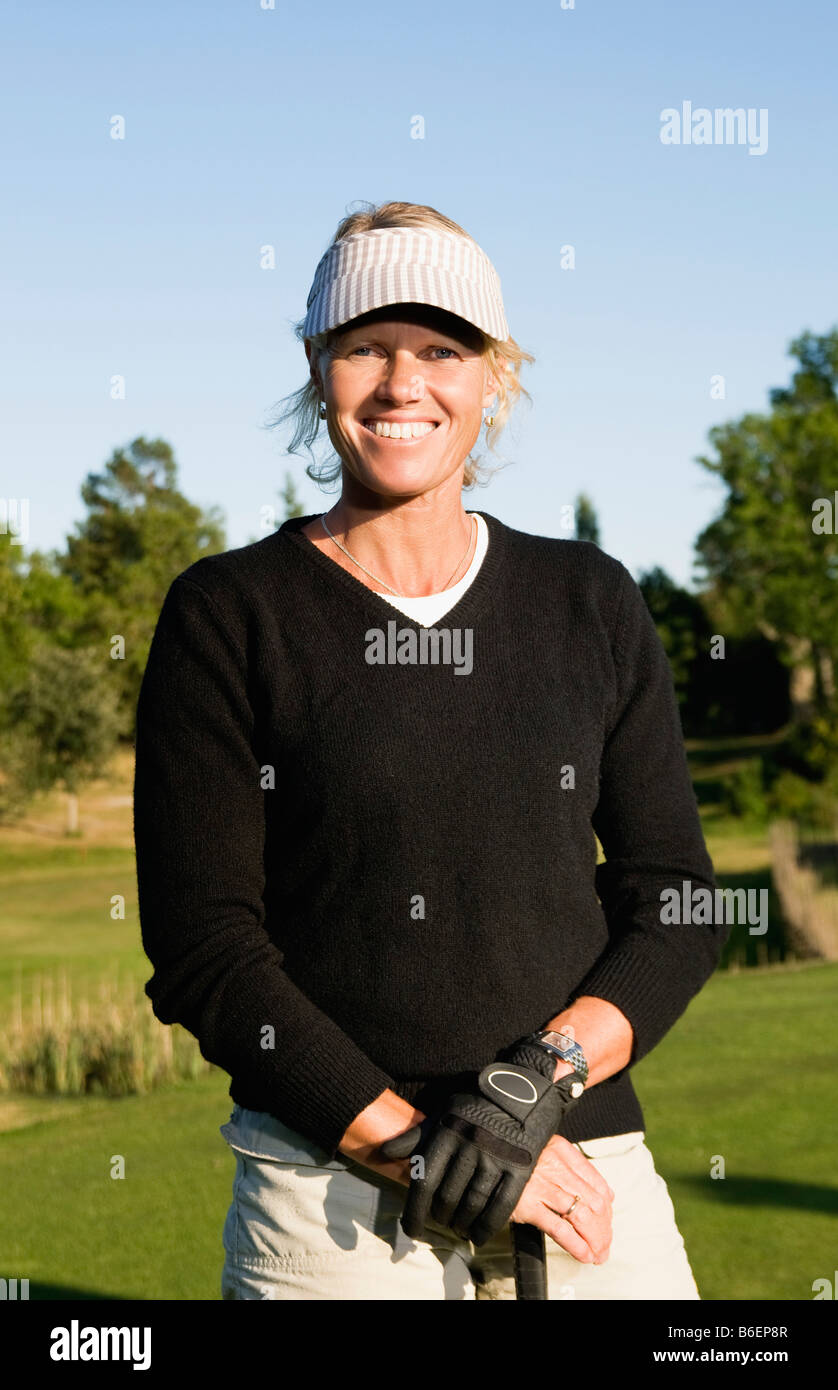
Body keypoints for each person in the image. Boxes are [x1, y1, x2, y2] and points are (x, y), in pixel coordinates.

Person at [133, 200, 728, 1301]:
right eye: (366, 346)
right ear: (319, 369)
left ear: (493, 376)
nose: (404, 383)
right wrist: (417, 1147)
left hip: (577, 1170)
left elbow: (676, 900)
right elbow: (203, 941)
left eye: (442, 350)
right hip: (332, 1195)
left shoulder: (586, 598)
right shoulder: (229, 612)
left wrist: (529, 1092)